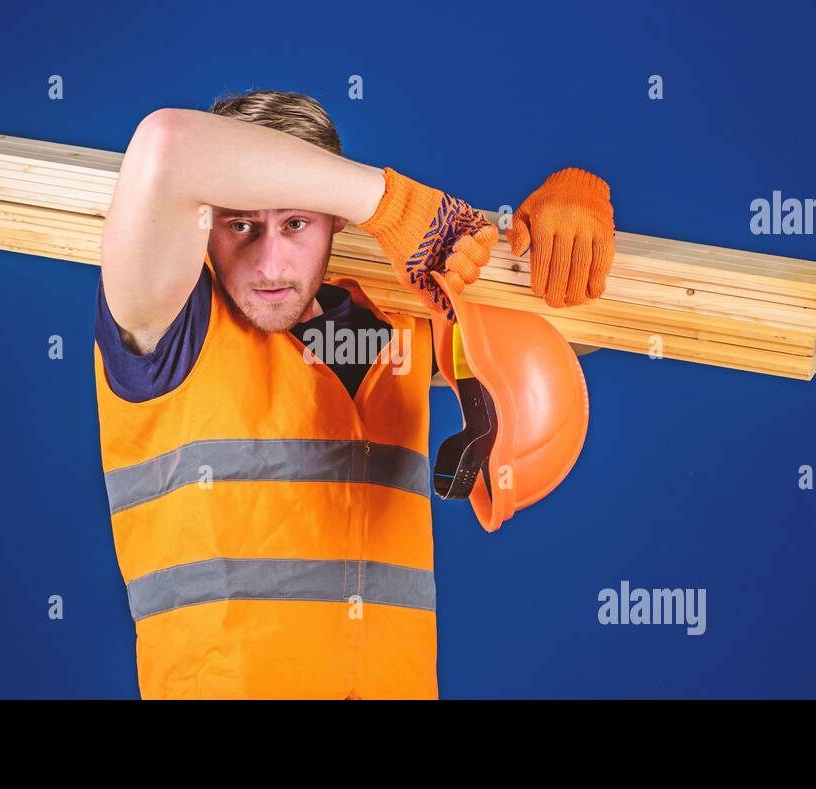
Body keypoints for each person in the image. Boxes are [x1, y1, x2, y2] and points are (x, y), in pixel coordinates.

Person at [95, 89, 614, 699]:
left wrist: (569, 224)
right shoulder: (166, 324)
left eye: (295, 223)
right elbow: (166, 146)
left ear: (336, 219)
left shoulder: (388, 331)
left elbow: (564, 337)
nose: (269, 264)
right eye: (240, 224)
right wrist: (391, 205)